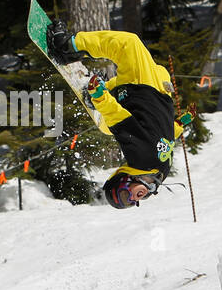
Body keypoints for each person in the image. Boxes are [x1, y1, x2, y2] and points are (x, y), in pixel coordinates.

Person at [46, 23, 187, 209]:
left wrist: (101, 99)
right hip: (155, 92)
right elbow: (164, 140)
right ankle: (104, 89)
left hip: (143, 91)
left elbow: (119, 119)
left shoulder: (140, 158)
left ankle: (69, 47)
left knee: (128, 44)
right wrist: (179, 124)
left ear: (122, 181)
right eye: (132, 202)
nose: (134, 198)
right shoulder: (158, 173)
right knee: (107, 127)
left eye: (124, 195)